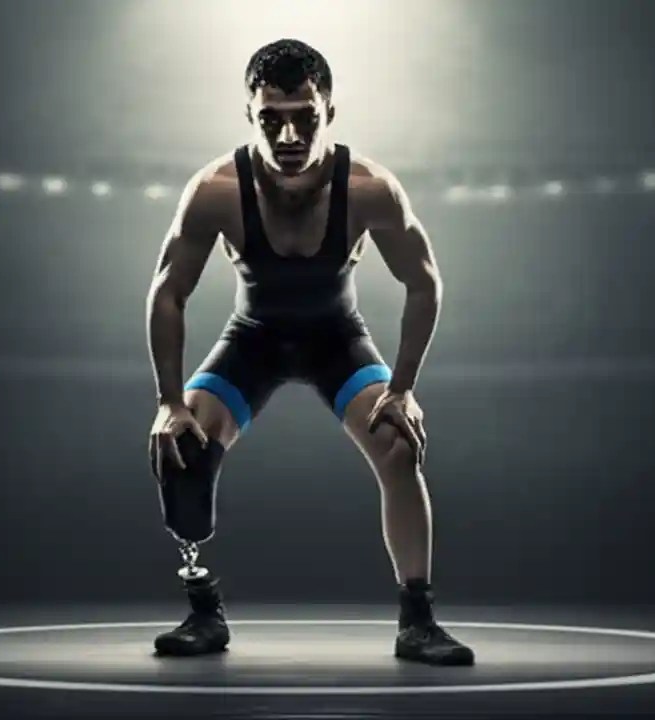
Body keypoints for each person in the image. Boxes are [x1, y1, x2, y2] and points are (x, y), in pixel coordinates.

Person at [145, 38, 474, 666]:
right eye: (272, 119)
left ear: (330, 112)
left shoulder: (369, 188)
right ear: (249, 114)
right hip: (254, 340)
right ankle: (203, 608)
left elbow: (424, 281)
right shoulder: (216, 190)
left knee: (398, 445)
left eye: (305, 117)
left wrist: (402, 389)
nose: (289, 135)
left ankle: (418, 621)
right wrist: (168, 402)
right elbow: (168, 292)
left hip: (335, 340)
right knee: (182, 449)